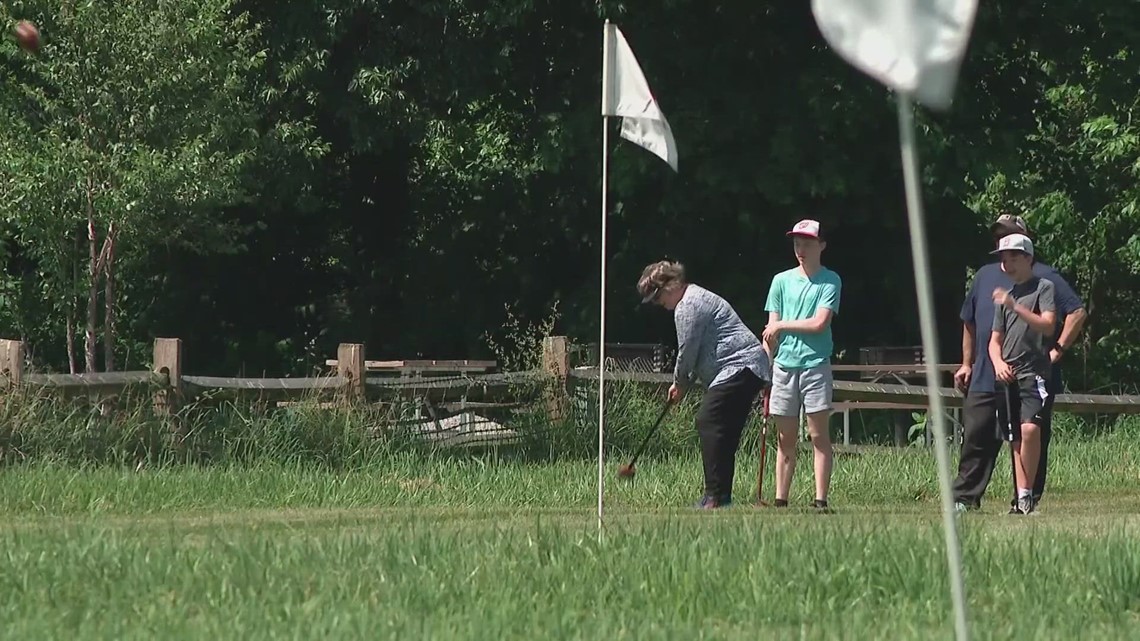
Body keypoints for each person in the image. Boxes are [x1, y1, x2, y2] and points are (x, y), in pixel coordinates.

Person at [952, 214, 1087, 513]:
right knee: (976, 438)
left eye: (1011, 236)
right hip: (988, 373)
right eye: (1000, 236)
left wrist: (1057, 351)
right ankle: (964, 498)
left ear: (1026, 242)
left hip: (1031, 374)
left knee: (1029, 435)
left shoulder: (1045, 277)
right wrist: (966, 363)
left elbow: (1075, 312)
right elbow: (969, 321)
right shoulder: (985, 275)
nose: (1004, 243)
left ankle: (1025, 500)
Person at [637, 260, 770, 509]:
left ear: (669, 285)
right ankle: (721, 497)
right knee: (724, 430)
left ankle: (713, 498)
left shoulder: (687, 306)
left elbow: (687, 352)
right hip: (747, 368)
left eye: (657, 298)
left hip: (740, 366)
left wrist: (679, 384)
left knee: (708, 420)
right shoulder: (693, 297)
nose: (658, 304)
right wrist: (682, 383)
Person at [761, 219, 842, 512]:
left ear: (821, 245)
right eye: (797, 243)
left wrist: (782, 325)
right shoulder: (780, 280)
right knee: (785, 438)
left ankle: (820, 500)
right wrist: (764, 366)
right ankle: (780, 499)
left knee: (818, 434)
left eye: (807, 243)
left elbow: (820, 323)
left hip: (815, 365)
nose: (801, 249)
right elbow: (770, 331)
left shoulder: (830, 280)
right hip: (783, 367)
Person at [988, 233, 1056, 515]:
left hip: (1034, 372)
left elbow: (1048, 325)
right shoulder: (1006, 298)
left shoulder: (1043, 288)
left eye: (1013, 257)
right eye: (1004, 259)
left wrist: (1015, 306)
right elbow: (994, 341)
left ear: (1028, 258)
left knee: (1030, 430)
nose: (1007, 263)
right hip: (1008, 375)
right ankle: (1022, 499)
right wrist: (998, 363)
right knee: (1015, 436)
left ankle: (1028, 495)